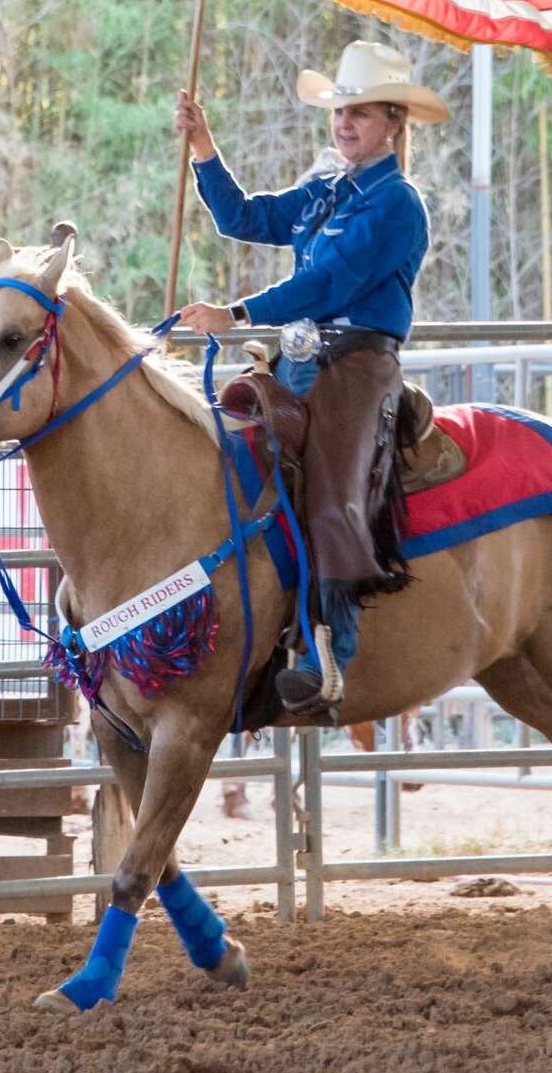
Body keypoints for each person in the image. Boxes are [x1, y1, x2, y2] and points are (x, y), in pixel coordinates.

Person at [176, 39, 446, 714]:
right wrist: (204, 147)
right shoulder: (327, 190)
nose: (344, 122)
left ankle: (331, 657)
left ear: (393, 123)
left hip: (358, 365)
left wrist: (236, 313)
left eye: (360, 112)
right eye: (339, 111)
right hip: (299, 360)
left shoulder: (398, 204)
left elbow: (328, 283)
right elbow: (244, 217)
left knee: (332, 491)